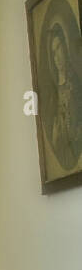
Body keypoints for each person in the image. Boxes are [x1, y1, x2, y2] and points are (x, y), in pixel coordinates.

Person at [46, 22, 82, 170]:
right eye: (53, 52)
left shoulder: (76, 82)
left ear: (66, 48)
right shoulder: (52, 97)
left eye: (59, 47)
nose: (57, 56)